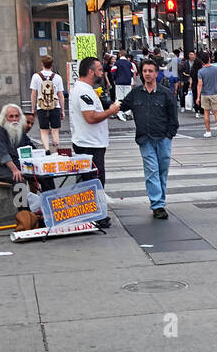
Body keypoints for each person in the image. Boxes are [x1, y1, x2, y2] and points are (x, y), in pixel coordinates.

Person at [118, 58, 179, 218]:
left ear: (156, 73)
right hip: (145, 139)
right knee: (152, 170)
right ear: (141, 73)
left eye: (150, 71)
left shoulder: (165, 93)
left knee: (161, 171)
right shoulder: (136, 93)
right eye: (145, 71)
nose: (147, 74)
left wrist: (169, 135)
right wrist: (103, 103)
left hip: (163, 138)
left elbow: (173, 118)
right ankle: (158, 205)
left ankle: (160, 201)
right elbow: (122, 105)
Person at [69, 56, 124, 227]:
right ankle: (95, 215)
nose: (102, 72)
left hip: (90, 142)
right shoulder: (84, 91)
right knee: (94, 180)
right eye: (100, 70)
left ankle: (92, 213)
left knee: (92, 179)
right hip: (89, 144)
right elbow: (91, 117)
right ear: (91, 71)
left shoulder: (84, 89)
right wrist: (111, 110)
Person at [0, 104, 35, 185]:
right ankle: (22, 198)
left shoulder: (20, 131)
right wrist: (15, 170)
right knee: (19, 178)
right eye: (11, 116)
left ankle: (50, 197)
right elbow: (3, 155)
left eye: (16, 116)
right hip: (1, 168)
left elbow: (32, 148)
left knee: (45, 176)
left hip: (19, 165)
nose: (14, 119)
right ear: (5, 118)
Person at [29, 55, 64, 152]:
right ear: (52, 65)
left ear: (42, 64)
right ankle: (55, 148)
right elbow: (60, 95)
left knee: (44, 131)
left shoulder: (36, 76)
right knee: (55, 129)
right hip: (55, 106)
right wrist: (62, 110)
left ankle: (47, 148)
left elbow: (33, 94)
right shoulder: (57, 77)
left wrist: (33, 109)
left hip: (41, 107)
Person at [196, 52, 217, 137]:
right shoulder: (216, 69)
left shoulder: (200, 71)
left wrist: (198, 97)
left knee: (206, 113)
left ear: (202, 61)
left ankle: (208, 131)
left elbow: (199, 84)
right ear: (209, 59)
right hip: (214, 93)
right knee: (216, 112)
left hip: (205, 94)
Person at [112, 52, 135, 119]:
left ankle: (119, 113)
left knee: (119, 98)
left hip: (119, 82)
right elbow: (132, 72)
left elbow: (113, 71)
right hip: (127, 82)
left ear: (120, 55)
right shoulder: (129, 63)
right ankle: (127, 113)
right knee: (127, 98)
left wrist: (115, 78)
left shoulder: (117, 63)